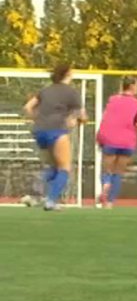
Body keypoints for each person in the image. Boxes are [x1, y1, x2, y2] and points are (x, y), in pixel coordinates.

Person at [22, 64, 85, 211]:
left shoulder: (45, 90)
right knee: (65, 168)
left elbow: (27, 107)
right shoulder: (71, 92)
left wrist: (37, 119)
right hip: (57, 131)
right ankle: (50, 201)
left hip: (40, 131)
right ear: (68, 74)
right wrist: (76, 119)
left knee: (55, 167)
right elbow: (81, 114)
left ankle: (35, 192)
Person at [95, 76, 137, 208]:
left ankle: (106, 183)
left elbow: (105, 119)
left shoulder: (112, 100)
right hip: (127, 141)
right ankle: (110, 202)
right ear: (132, 86)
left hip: (110, 139)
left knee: (107, 170)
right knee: (118, 172)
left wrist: (100, 138)